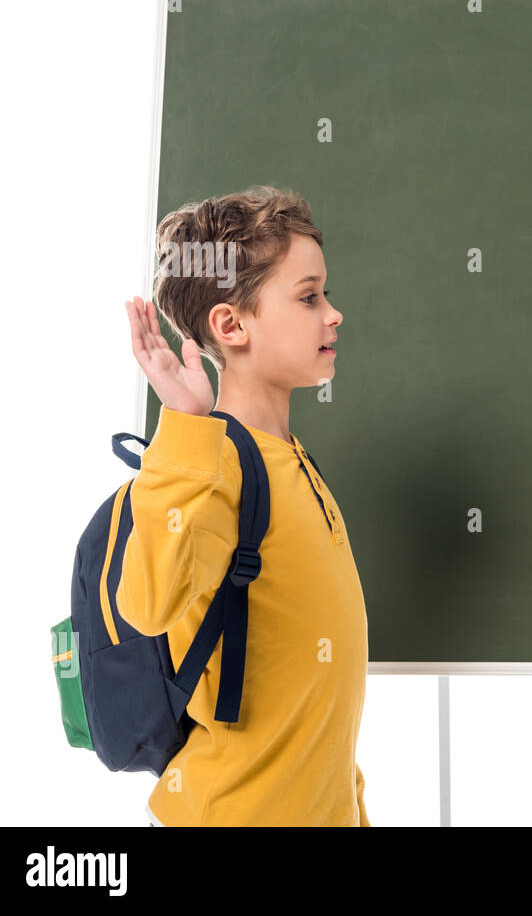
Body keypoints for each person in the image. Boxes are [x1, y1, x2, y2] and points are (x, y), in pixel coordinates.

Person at [119, 185, 370, 826]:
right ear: (231, 325)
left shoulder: (294, 462)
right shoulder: (214, 466)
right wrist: (183, 423)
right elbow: (149, 603)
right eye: (309, 296)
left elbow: (320, 712)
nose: (332, 314)